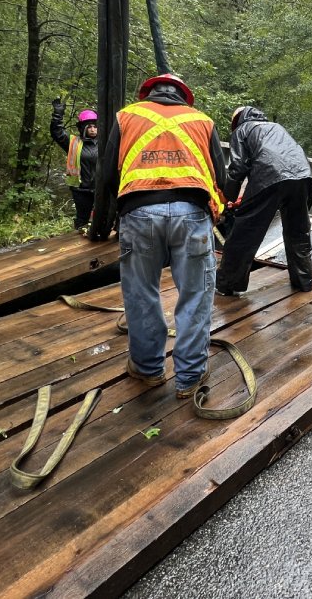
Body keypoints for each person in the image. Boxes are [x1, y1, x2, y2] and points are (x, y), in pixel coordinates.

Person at [98, 73, 228, 399]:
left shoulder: (126, 116)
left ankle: (147, 369)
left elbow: (106, 174)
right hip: (193, 214)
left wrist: (101, 225)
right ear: (185, 96)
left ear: (148, 94)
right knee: (196, 295)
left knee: (140, 293)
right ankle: (189, 378)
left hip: (138, 214)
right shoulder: (203, 121)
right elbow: (222, 177)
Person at [217, 106, 312, 296]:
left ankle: (227, 284)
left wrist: (227, 199)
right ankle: (304, 282)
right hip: (303, 177)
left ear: (237, 120)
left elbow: (237, 168)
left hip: (270, 177)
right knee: (298, 233)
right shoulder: (276, 127)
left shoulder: (242, 130)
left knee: (243, 235)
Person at [51, 100, 99, 231]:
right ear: (83, 128)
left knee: (103, 220)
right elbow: (57, 133)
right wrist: (58, 115)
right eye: (89, 127)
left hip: (101, 190)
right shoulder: (73, 142)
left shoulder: (105, 142)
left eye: (95, 126)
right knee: (82, 221)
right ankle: (81, 247)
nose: (93, 129)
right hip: (81, 190)